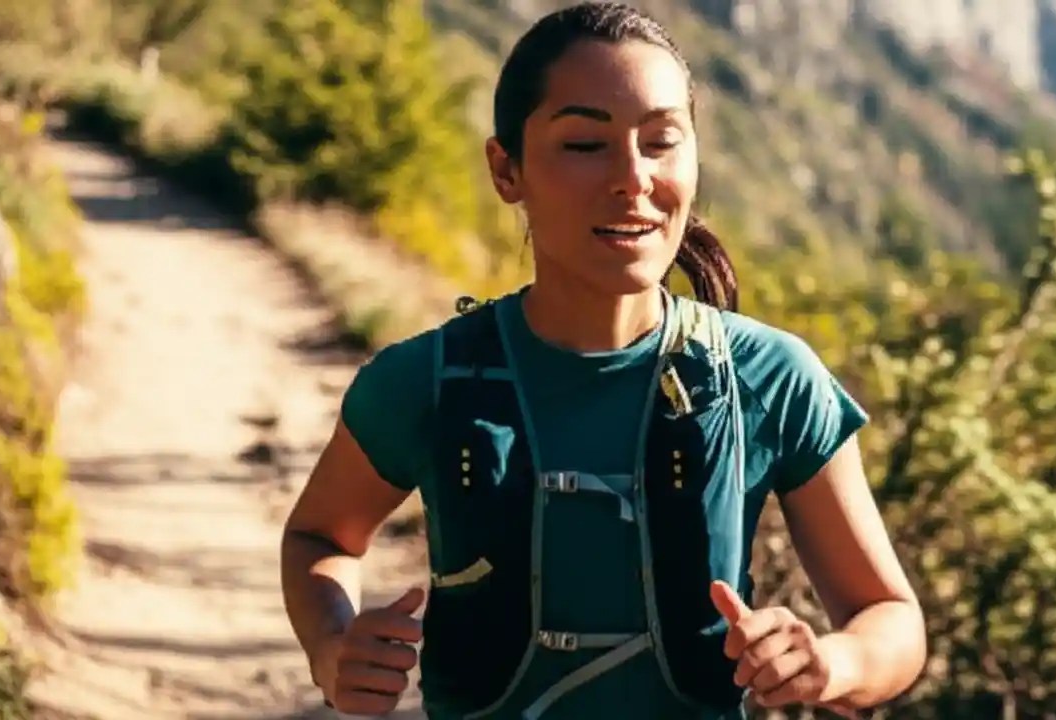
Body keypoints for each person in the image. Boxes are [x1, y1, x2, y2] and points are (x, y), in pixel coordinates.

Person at [280, 3, 926, 719]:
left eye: (661, 142)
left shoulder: (769, 378)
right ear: (506, 169)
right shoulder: (425, 382)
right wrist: (332, 646)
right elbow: (320, 535)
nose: (632, 179)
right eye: (585, 144)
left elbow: (891, 618)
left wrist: (833, 661)